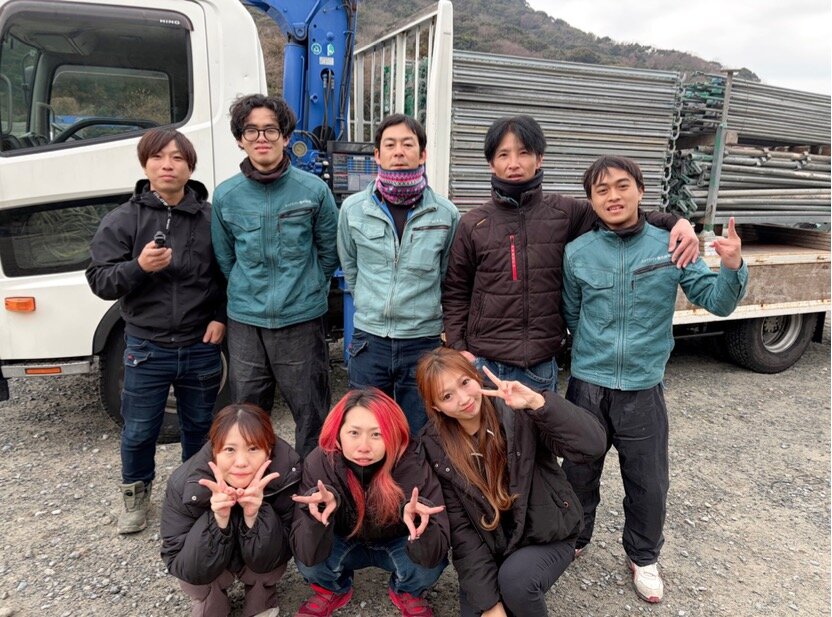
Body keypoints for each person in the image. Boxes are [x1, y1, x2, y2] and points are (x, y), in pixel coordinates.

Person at [561, 155, 748, 604]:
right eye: (602, 190)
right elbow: (572, 314)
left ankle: (643, 556)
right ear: (591, 201)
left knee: (648, 481)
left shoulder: (671, 245)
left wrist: (732, 265)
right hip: (587, 386)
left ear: (641, 191)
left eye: (622, 186)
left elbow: (717, 303)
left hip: (643, 387)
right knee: (578, 473)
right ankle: (574, 537)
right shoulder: (577, 252)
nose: (613, 197)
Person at [441, 115, 700, 392]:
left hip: (540, 364)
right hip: (485, 363)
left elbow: (621, 214)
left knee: (542, 423)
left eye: (524, 153)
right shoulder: (474, 223)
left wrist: (676, 222)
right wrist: (459, 347)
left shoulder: (565, 213)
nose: (514, 163)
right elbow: (456, 290)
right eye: (503, 155)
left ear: (539, 158)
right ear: (491, 163)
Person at [86, 128, 227, 534]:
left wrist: (220, 316)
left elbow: (228, 273)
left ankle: (193, 494)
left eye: (178, 158)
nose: (168, 165)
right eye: (159, 157)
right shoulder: (123, 219)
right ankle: (135, 497)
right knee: (139, 430)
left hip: (200, 344)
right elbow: (99, 279)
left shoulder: (210, 218)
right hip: (146, 347)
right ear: (145, 164)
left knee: (199, 429)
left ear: (190, 167)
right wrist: (139, 267)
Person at [416, 347, 607, 617]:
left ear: (476, 375)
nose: (463, 399)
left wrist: (538, 403)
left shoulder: (517, 408)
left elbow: (592, 446)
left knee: (516, 583)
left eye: (465, 383)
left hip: (547, 533)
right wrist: (490, 605)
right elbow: (463, 531)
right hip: (493, 545)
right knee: (482, 606)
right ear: (436, 407)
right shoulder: (435, 447)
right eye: (447, 396)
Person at [211, 94, 339, 458]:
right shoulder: (226, 196)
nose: (261, 138)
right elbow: (225, 257)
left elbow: (329, 251)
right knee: (248, 412)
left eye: (270, 129)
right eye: (251, 130)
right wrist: (246, 289)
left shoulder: (313, 191)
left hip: (301, 318)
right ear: (240, 139)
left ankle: (312, 479)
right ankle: (256, 479)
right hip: (246, 322)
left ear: (285, 136)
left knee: (311, 411)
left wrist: (310, 289)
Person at [337, 113, 459, 434]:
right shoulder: (353, 209)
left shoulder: (445, 214)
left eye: (408, 144)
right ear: (377, 155)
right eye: (390, 145)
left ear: (423, 153)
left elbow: (448, 276)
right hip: (369, 340)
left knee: (420, 431)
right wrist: (370, 303)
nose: (399, 152)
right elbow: (350, 266)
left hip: (422, 342)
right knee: (367, 429)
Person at [290, 388, 449, 617]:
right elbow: (305, 553)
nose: (364, 446)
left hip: (398, 542)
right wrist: (317, 518)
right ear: (337, 433)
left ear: (394, 434)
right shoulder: (320, 462)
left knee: (426, 569)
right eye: (354, 433)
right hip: (344, 540)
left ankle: (406, 590)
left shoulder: (413, 462)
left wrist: (420, 524)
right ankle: (333, 589)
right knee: (310, 564)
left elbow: (436, 552)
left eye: (377, 434)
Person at [161, 403, 301, 617]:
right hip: (212, 566)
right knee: (200, 581)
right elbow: (181, 563)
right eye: (229, 449)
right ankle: (211, 601)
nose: (241, 462)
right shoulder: (185, 484)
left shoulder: (285, 476)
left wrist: (256, 516)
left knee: (269, 554)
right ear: (214, 451)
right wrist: (217, 519)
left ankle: (262, 596)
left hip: (257, 562)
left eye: (253, 448)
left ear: (269, 451)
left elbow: (282, 552)